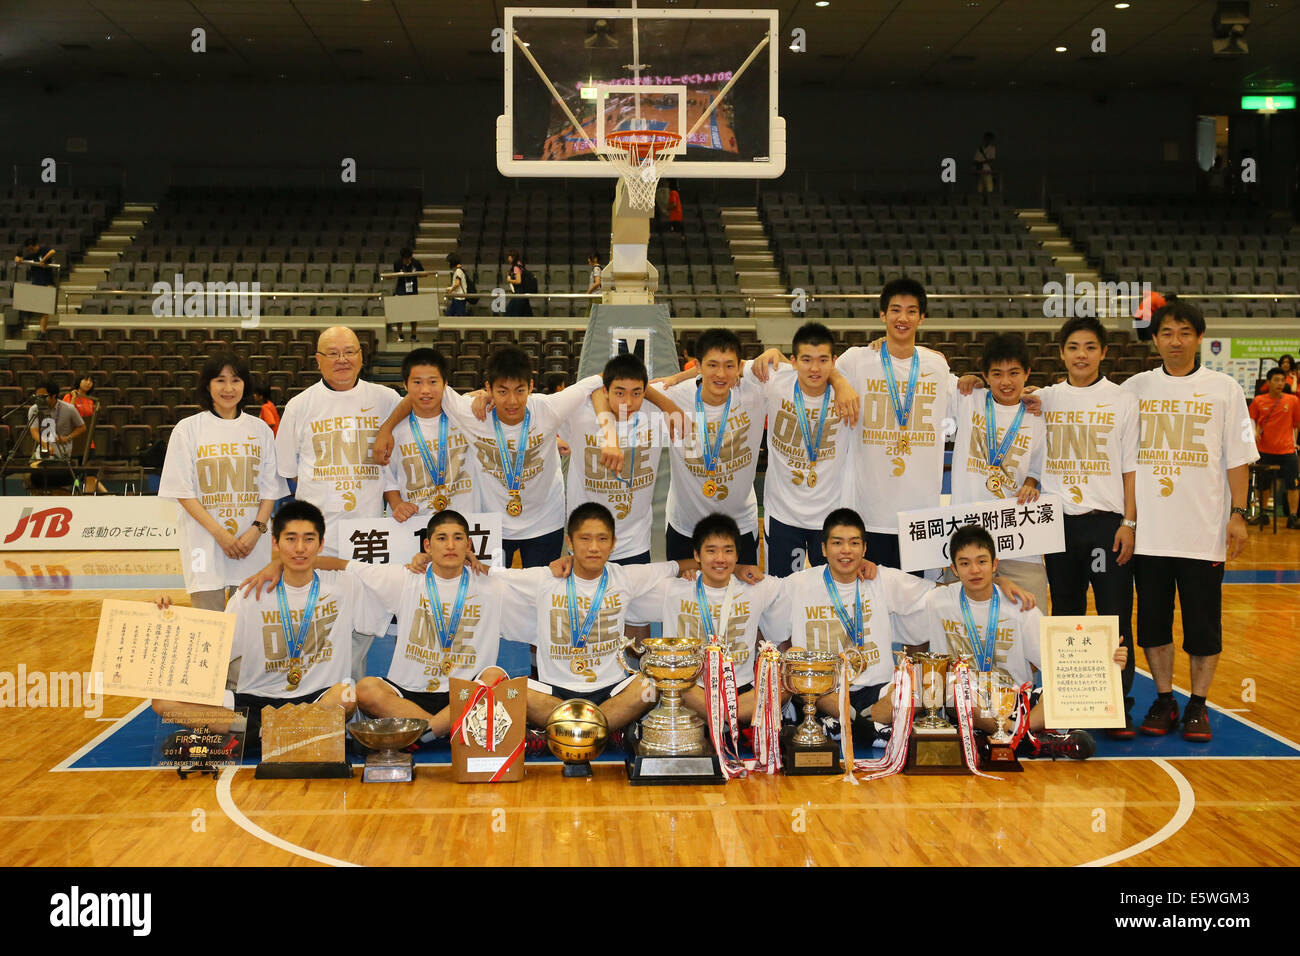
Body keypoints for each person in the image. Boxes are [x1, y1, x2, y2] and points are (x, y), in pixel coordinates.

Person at [243, 510, 508, 743]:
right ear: (427, 545)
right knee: (365, 690)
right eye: (441, 538)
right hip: (412, 695)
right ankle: (457, 731)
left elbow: (544, 575)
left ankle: (428, 732)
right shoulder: (404, 578)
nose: (450, 545)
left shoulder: (492, 582)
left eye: (458, 538)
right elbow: (340, 565)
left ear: (469, 544)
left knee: (495, 676)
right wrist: (277, 563)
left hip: (465, 690)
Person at [1123, 299, 1257, 741]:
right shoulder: (1135, 388)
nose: (1175, 341)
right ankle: (1164, 698)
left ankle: (1198, 704)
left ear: (1199, 337)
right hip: (1150, 536)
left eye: (1184, 332)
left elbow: (1239, 459)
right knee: (1154, 625)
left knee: (1203, 627)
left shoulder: (1225, 390)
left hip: (1202, 535)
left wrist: (1238, 513)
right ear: (1155, 340)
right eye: (1166, 333)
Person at [373, 346, 621, 569]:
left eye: (520, 391)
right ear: (488, 388)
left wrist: (611, 436)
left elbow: (602, 380)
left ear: (531, 387)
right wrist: (386, 428)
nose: (512, 400)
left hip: (546, 521)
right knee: (493, 594)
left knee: (541, 591)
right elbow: (422, 394)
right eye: (502, 391)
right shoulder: (471, 414)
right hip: (493, 524)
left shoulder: (549, 408)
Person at [153, 501, 363, 749]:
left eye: (308, 539)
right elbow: (209, 656)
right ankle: (281, 733)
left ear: (321, 543)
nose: (299, 548)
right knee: (163, 701)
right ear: (275, 543)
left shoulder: (345, 587)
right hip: (257, 702)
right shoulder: (247, 596)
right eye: (290, 539)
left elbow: (382, 573)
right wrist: (166, 623)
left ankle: (255, 737)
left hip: (317, 697)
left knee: (348, 695)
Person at [922, 525, 1126, 759]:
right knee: (957, 694)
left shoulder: (1022, 608)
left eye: (981, 561)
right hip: (968, 703)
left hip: (1014, 701)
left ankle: (1014, 734)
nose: (974, 570)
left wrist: (1106, 662)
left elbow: (1060, 662)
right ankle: (1033, 739)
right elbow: (893, 587)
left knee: (1065, 693)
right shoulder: (936, 601)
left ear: (994, 565)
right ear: (954, 570)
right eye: (965, 563)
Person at [1031, 317, 1139, 737]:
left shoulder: (1122, 399)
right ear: (1061, 353)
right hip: (1058, 524)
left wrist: (1129, 521)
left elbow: (1131, 467)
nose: (1081, 355)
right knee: (1067, 615)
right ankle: (1073, 703)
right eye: (1073, 347)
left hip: (1106, 522)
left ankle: (1120, 704)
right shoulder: (1045, 398)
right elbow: (1001, 397)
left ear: (1103, 353)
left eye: (1090, 347)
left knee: (1115, 614)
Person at [496, 503, 690, 733]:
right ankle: (603, 730)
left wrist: (734, 570)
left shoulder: (625, 577)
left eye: (602, 539)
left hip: (610, 691)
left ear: (613, 543)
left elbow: (680, 566)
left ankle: (568, 732)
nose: (593, 548)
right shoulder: (545, 578)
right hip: (556, 692)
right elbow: (487, 573)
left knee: (648, 688)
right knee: (510, 692)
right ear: (570, 542)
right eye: (585, 539)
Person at [276, 326, 399, 684]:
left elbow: (428, 402)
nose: (342, 360)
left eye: (350, 352)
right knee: (319, 612)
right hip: (320, 535)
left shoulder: (386, 398)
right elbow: (288, 472)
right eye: (333, 353)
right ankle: (316, 687)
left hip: (369, 531)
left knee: (364, 616)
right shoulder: (300, 406)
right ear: (318, 360)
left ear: (362, 356)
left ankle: (351, 692)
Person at [829, 278, 957, 571]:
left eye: (911, 311)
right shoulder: (857, 361)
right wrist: (838, 381)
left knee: (914, 605)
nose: (903, 318)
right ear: (882, 315)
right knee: (869, 603)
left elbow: (968, 398)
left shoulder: (936, 366)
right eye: (895, 310)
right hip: (867, 513)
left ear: (922, 318)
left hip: (919, 518)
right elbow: (816, 369)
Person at [779, 509, 932, 743]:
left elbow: (941, 595)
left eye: (854, 543)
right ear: (823, 549)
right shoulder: (797, 584)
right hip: (823, 694)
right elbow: (753, 592)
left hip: (877, 693)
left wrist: (996, 582)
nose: (846, 551)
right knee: (796, 657)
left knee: (927, 685)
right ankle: (870, 729)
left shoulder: (882, 578)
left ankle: (847, 724)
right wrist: (736, 569)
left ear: (864, 548)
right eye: (837, 543)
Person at [158, 352, 287, 612]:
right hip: (203, 545)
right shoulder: (187, 429)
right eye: (220, 380)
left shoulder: (260, 429)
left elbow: (270, 489)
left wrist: (256, 531)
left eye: (236, 380)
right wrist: (221, 536)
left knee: (250, 627)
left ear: (245, 385)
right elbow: (183, 492)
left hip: (252, 545)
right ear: (207, 385)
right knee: (207, 627)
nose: (228, 388)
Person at [947, 332, 1050, 611]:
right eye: (997, 373)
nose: (1006, 382)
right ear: (985, 375)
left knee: (1034, 618)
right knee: (955, 624)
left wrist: (1031, 481)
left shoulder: (1038, 415)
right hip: (966, 537)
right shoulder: (968, 398)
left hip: (1017, 540)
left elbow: (1037, 468)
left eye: (1014, 373)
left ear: (1027, 373)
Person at [752, 322, 858, 577]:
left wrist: (840, 382)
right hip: (783, 515)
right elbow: (720, 367)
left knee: (829, 592)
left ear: (834, 361)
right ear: (793, 361)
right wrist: (677, 378)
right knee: (782, 593)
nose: (814, 368)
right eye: (806, 360)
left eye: (823, 360)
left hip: (830, 515)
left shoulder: (850, 391)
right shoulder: (775, 381)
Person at [673, 514, 790, 727]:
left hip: (741, 689)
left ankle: (722, 716)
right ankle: (728, 717)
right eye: (711, 551)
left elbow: (806, 584)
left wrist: (855, 565)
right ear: (696, 555)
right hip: (695, 690)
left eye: (728, 551)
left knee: (781, 685)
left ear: (737, 556)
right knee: (677, 685)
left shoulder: (755, 586)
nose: (720, 558)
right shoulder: (674, 589)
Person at [560, 354, 666, 565]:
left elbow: (709, 378)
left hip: (635, 543)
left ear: (646, 392)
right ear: (605, 391)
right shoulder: (578, 412)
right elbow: (530, 408)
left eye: (636, 393)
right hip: (586, 541)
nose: (627, 402)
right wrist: (483, 396)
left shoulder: (656, 412)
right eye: (619, 393)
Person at [382, 348, 477, 522]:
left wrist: (484, 396)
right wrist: (397, 504)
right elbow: (387, 477)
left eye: (433, 382)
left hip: (465, 521)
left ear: (445, 383)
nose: (425, 390)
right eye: (417, 382)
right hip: (413, 522)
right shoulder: (394, 430)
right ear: (405, 384)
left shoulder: (466, 418)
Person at [1249, 367, 1300, 529]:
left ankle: (1292, 516)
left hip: (1287, 451)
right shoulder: (1258, 401)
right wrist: (1253, 432)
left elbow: (1296, 423)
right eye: (1276, 380)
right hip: (1264, 450)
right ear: (1268, 382)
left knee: (1293, 484)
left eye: (1282, 380)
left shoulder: (1293, 401)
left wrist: (1295, 441)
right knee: (1263, 486)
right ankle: (1263, 514)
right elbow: (1250, 420)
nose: (1280, 383)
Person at [27, 378, 85, 490]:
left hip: (62, 455)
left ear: (54, 396)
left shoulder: (69, 409)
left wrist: (68, 437)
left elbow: (82, 427)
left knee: (54, 479)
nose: (39, 399)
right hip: (43, 453)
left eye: (43, 396)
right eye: (37, 396)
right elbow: (33, 430)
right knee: (28, 474)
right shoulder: (34, 409)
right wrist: (45, 445)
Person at [61, 375, 99, 493]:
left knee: (91, 473)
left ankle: (88, 498)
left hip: (87, 442)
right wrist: (73, 398)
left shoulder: (90, 400)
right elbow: (66, 414)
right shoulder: (68, 396)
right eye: (86, 380)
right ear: (78, 381)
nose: (88, 383)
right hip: (72, 440)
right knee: (72, 474)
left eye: (91, 381)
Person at [14, 237, 56, 338]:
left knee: (45, 310)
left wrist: (44, 260)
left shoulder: (43, 250)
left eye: (31, 249)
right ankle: (42, 332)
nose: (30, 251)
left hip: (47, 283)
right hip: (37, 284)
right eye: (29, 250)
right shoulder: (32, 255)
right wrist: (17, 258)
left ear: (35, 246)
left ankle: (42, 332)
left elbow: (52, 251)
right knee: (41, 310)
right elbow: (20, 260)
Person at [392, 247, 424, 342]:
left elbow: (423, 273)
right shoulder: (397, 263)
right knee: (399, 315)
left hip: (412, 290)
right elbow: (395, 275)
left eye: (408, 259)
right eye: (405, 259)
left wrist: (416, 274)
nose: (407, 261)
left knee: (413, 315)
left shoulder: (416, 263)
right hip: (401, 290)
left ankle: (413, 336)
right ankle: (400, 335)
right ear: (402, 258)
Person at [505, 250, 533, 317]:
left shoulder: (516, 267)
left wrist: (509, 280)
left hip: (519, 293)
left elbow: (518, 281)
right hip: (523, 292)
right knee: (526, 315)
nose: (508, 258)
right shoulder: (520, 264)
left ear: (512, 257)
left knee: (510, 313)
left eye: (509, 256)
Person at [974, 132, 997, 196]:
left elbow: (991, 159)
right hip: (980, 171)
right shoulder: (980, 148)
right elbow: (975, 160)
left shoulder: (992, 148)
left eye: (989, 139)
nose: (987, 140)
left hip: (987, 170)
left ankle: (989, 200)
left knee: (989, 188)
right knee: (979, 189)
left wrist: (980, 162)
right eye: (986, 138)